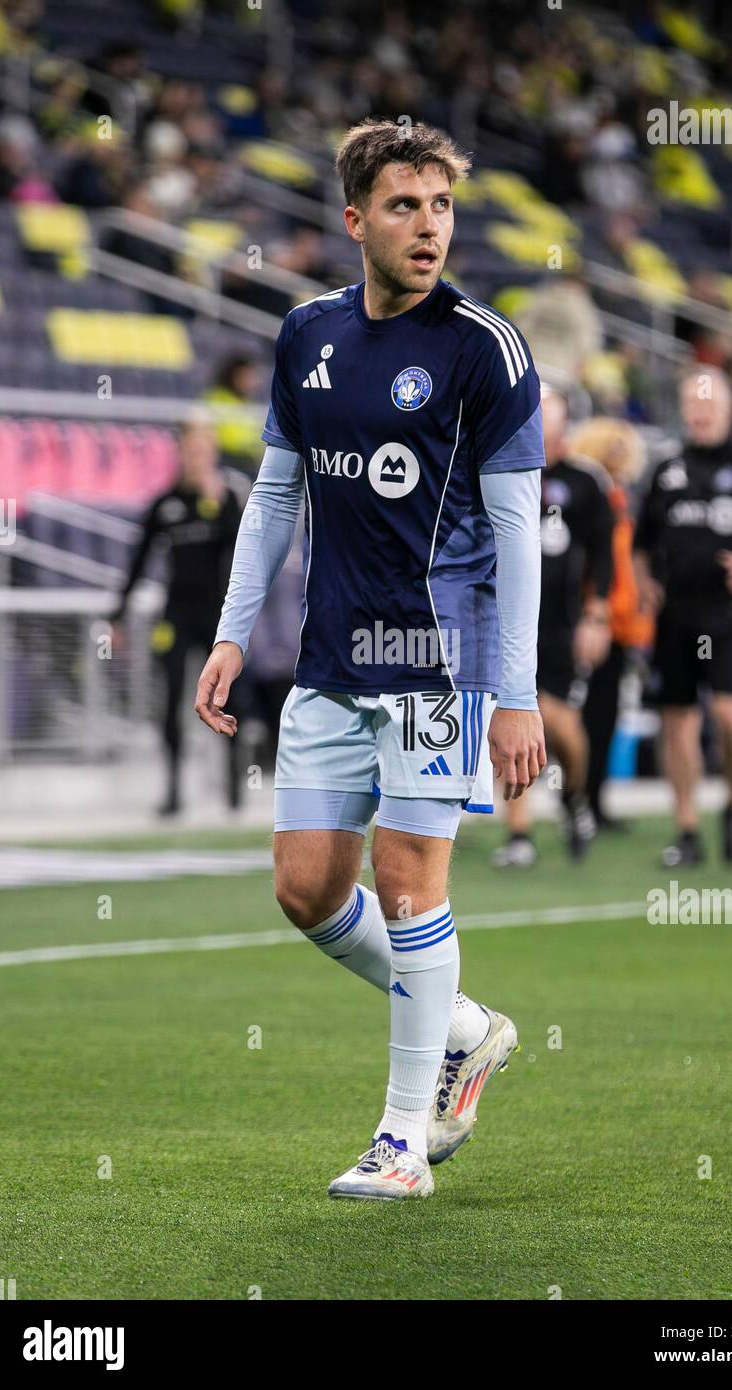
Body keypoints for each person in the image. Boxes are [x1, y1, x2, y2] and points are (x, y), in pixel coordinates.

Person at [194, 118, 546, 1201]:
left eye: (440, 206)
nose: (427, 226)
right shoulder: (306, 335)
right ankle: (462, 1026)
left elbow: (518, 530)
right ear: (354, 220)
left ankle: (402, 1140)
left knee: (407, 887)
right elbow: (273, 496)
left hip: (440, 662)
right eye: (403, 205)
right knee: (306, 888)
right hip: (330, 656)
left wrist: (517, 694)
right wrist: (229, 626)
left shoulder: (482, 348)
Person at [633, 367, 732, 866]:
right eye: (693, 404)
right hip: (676, 615)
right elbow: (642, 540)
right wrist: (644, 583)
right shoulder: (666, 465)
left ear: (727, 409)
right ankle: (686, 829)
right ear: (684, 409)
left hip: (731, 615)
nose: (701, 413)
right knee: (677, 721)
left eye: (710, 404)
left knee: (730, 714)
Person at [491, 388, 614, 867]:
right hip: (504, 619)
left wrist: (597, 614)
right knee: (509, 719)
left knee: (557, 720)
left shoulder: (585, 482)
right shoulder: (498, 469)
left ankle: (575, 797)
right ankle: (519, 833)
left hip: (562, 623)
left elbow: (604, 553)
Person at [114, 416, 243, 815]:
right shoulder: (165, 504)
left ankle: (234, 789)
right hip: (176, 615)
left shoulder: (225, 501)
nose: (197, 457)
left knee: (226, 697)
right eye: (191, 449)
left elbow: (242, 554)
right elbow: (138, 561)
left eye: (204, 450)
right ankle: (173, 791)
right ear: (181, 452)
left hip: (216, 617)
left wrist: (219, 505)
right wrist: (117, 615)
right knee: (171, 698)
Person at [567, 416, 653, 830]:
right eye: (611, 447)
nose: (619, 455)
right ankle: (576, 802)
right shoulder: (586, 498)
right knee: (576, 719)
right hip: (589, 623)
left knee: (604, 717)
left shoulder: (622, 502)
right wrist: (592, 614)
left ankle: (594, 801)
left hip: (619, 627)